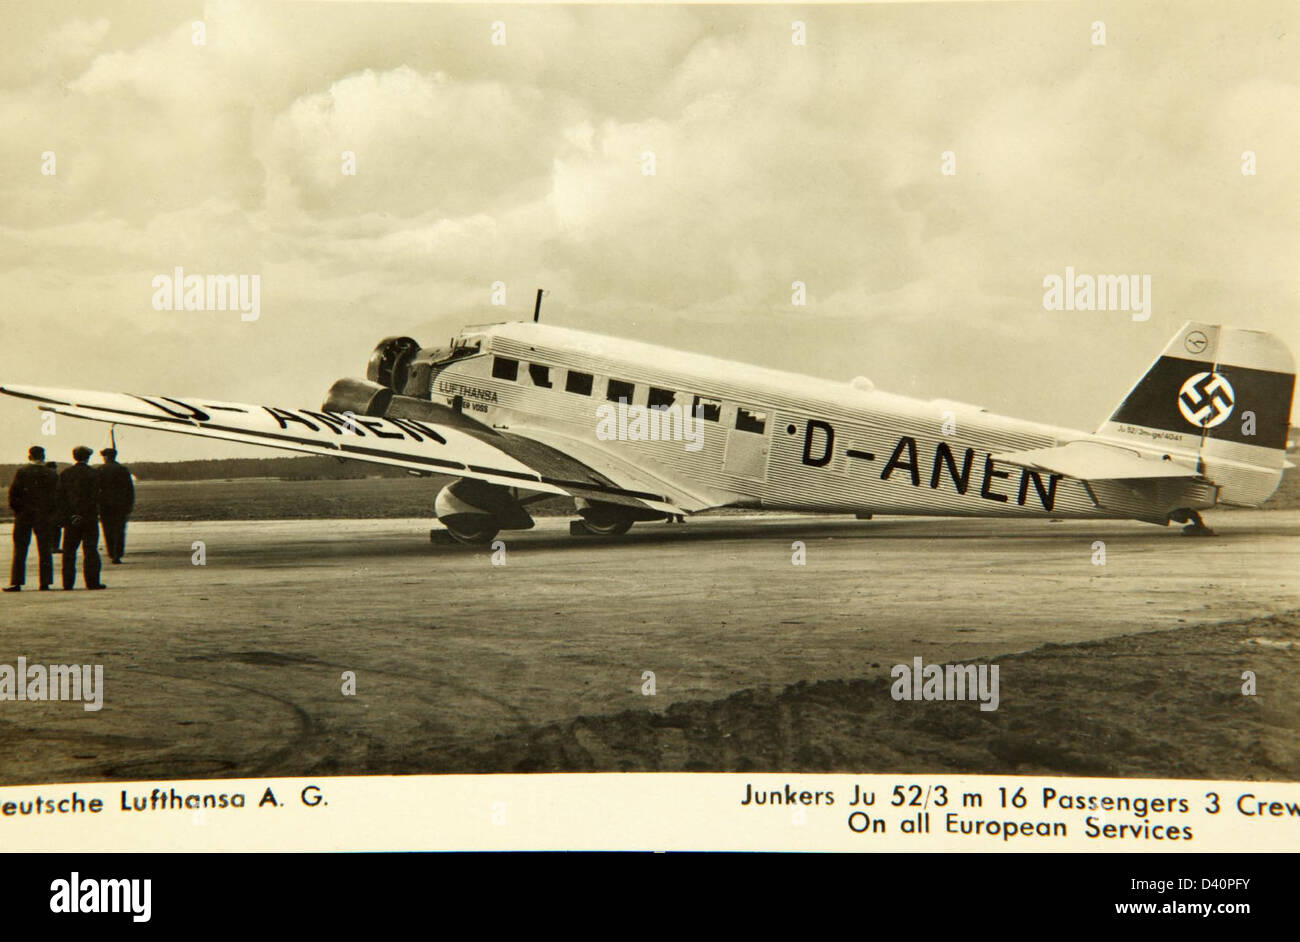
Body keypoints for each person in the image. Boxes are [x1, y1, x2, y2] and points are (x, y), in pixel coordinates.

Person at [5, 445, 58, 592]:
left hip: (24, 515)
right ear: (43, 456)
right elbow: (56, 497)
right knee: (45, 549)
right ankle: (45, 582)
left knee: (20, 549)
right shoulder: (52, 474)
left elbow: (13, 494)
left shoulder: (22, 472)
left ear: (29, 457)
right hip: (44, 516)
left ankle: (17, 582)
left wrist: (19, 511)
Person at [57, 446, 106, 590]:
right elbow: (96, 496)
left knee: (69, 552)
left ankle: (67, 583)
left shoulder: (66, 473)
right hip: (89, 517)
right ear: (88, 457)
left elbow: (60, 497)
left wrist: (70, 515)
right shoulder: (94, 474)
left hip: (71, 519)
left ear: (74, 457)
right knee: (90, 550)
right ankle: (92, 582)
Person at [97, 448, 134, 564]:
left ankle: (111, 552)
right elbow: (129, 490)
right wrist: (129, 505)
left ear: (106, 457)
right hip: (121, 505)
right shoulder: (123, 470)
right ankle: (118, 553)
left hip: (105, 505)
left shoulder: (100, 470)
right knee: (119, 529)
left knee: (108, 530)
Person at [44, 462, 61, 552]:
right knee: (56, 527)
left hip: (46, 507)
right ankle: (54, 546)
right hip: (55, 506)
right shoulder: (56, 477)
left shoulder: (43, 478)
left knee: (49, 527)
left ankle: (50, 546)